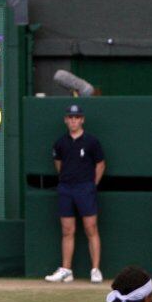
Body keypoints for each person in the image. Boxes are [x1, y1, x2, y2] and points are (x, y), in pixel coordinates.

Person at [45, 104, 106, 284]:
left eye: (77, 117)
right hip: (66, 188)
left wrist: (90, 185)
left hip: (85, 188)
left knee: (91, 228)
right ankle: (66, 270)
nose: (73, 120)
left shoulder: (92, 142)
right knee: (67, 230)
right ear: (66, 120)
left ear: (82, 120)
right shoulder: (60, 142)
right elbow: (58, 164)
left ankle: (95, 269)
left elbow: (100, 164)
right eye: (70, 117)